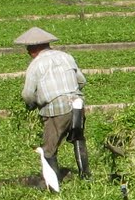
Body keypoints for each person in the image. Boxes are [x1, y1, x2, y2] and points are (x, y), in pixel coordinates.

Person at [16, 26, 87, 183]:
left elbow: (27, 94)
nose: (28, 52)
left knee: (49, 149)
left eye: (28, 49)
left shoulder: (35, 65)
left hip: (56, 109)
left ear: (33, 48)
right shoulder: (66, 56)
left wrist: (31, 105)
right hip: (77, 105)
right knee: (78, 138)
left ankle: (53, 184)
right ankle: (86, 176)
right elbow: (82, 80)